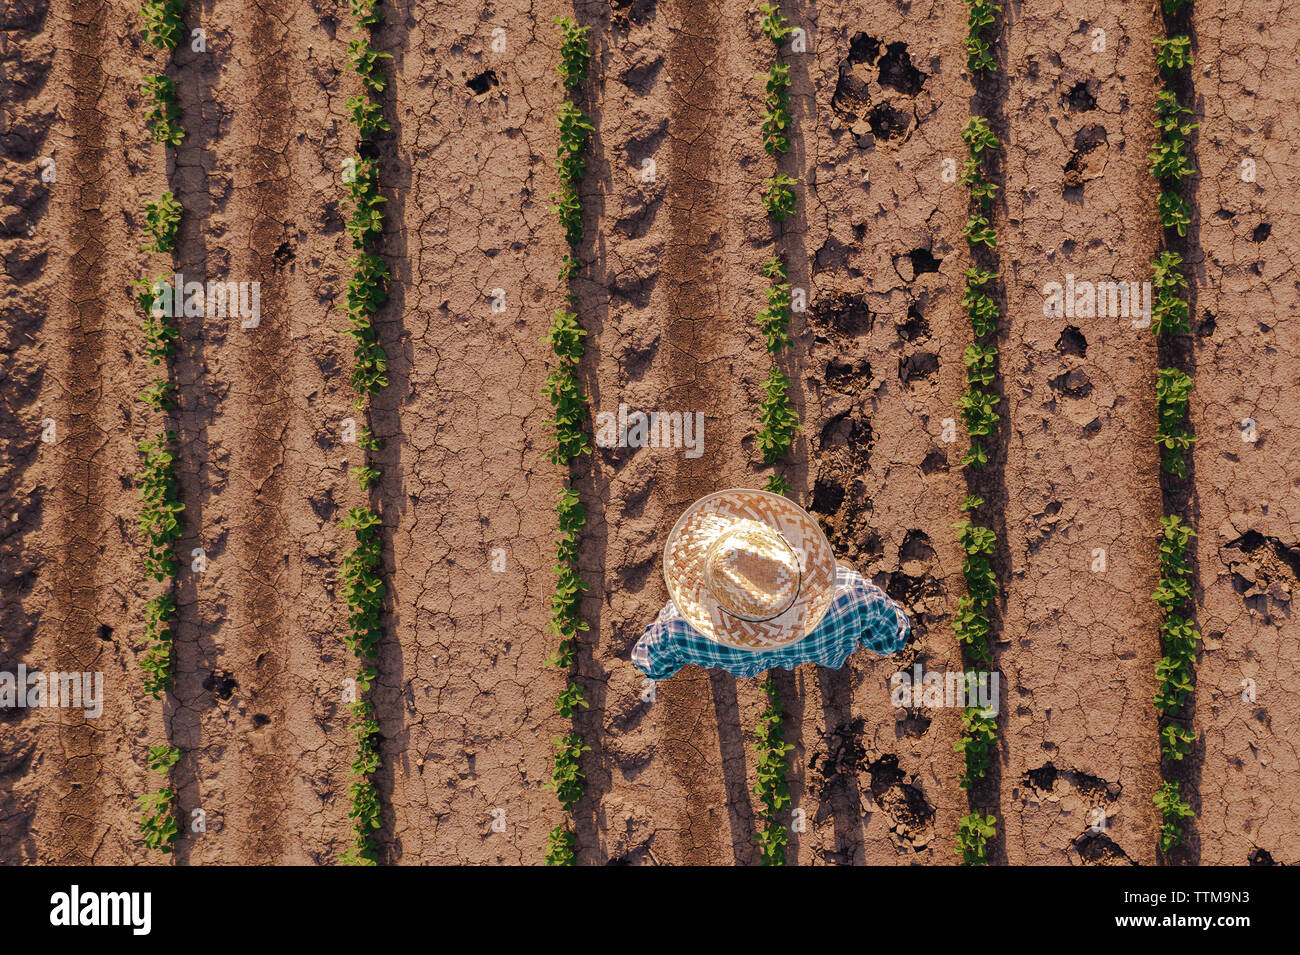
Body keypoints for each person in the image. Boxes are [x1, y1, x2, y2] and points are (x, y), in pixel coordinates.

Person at [632, 488, 912, 681]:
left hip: (743, 663)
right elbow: (892, 637)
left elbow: (649, 662)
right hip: (823, 649)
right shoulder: (851, 597)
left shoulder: (677, 627)